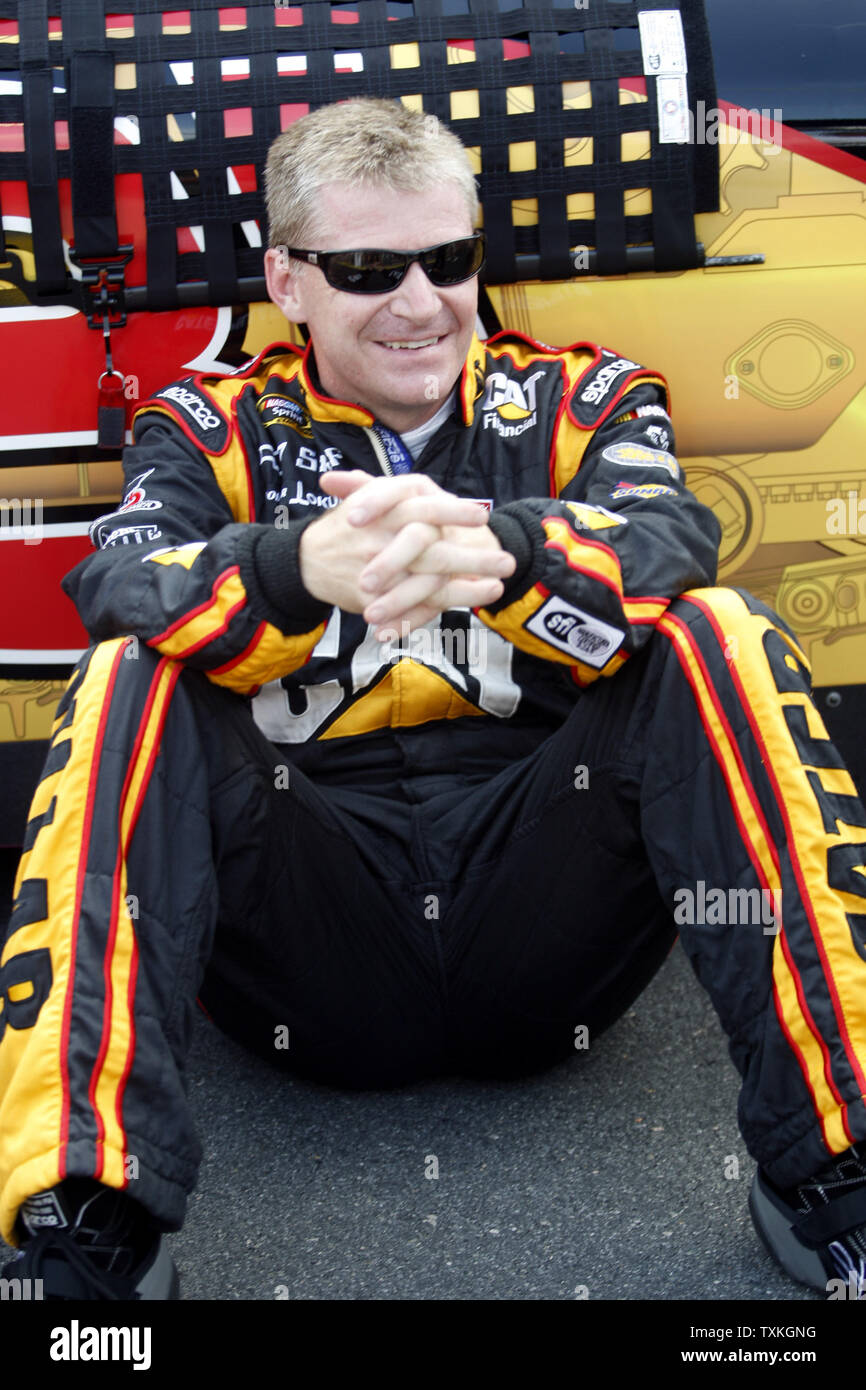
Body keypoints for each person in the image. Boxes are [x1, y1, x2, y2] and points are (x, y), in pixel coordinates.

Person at [2, 97, 865, 1302]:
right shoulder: (205, 427)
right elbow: (121, 580)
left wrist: (508, 556)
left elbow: (671, 534)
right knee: (125, 676)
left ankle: (836, 1155)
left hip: (542, 908)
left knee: (717, 630)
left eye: (448, 259)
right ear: (287, 281)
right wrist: (294, 568)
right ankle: (81, 1214)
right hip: (312, 932)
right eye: (367, 269)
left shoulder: (585, 397)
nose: (420, 303)